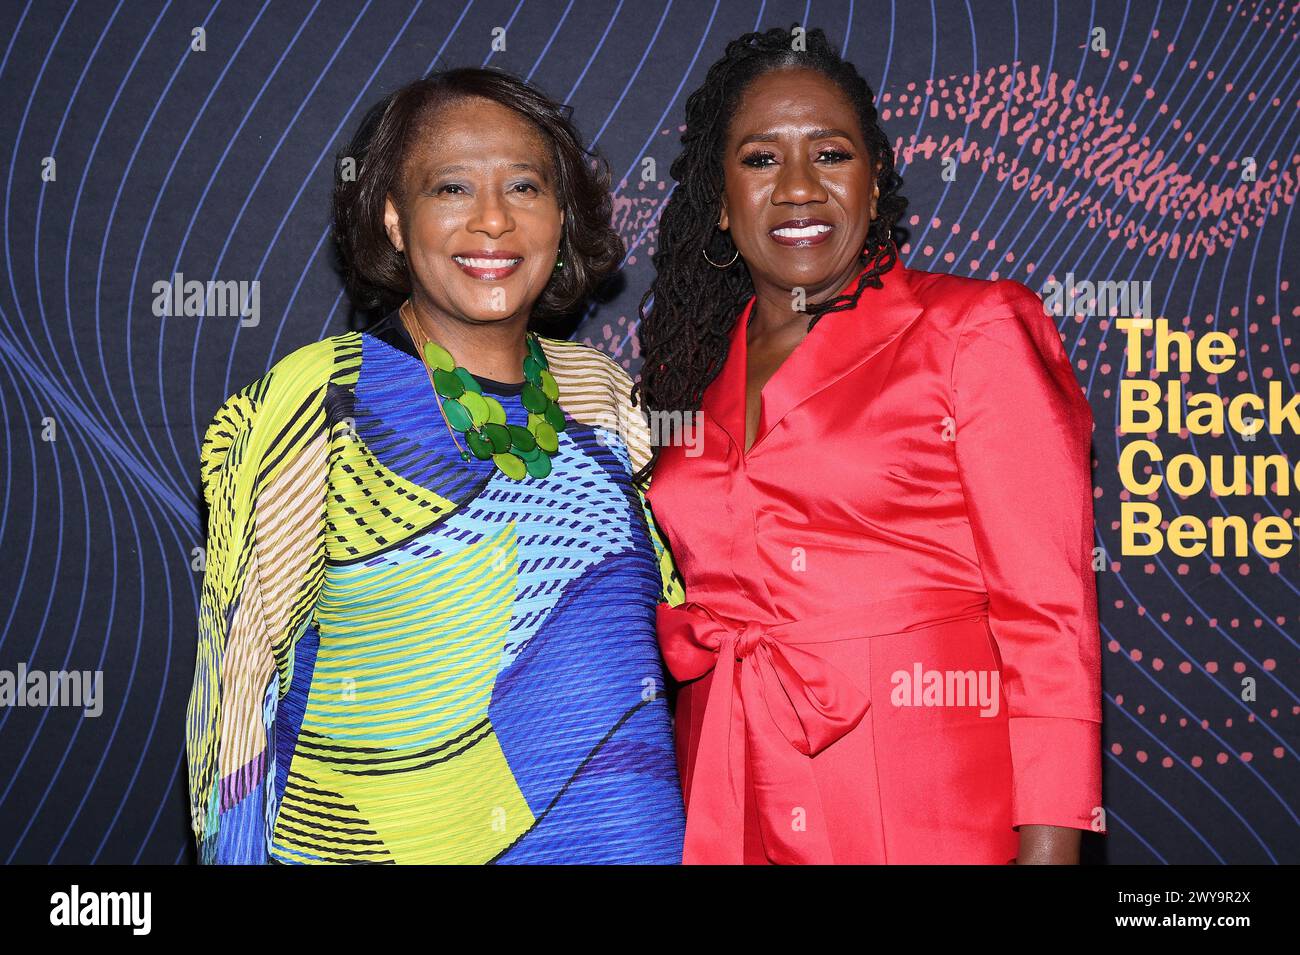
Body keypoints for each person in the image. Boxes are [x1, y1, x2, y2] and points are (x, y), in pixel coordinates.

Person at [185, 67, 685, 864]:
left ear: (560, 216)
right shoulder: (320, 399)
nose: (493, 220)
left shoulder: (603, 394)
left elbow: (673, 635)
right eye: (452, 188)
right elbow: (241, 680)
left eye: (524, 186)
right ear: (392, 216)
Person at [635, 26, 1103, 864]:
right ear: (718, 194)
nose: (799, 188)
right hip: (727, 781)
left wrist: (1052, 844)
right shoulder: (691, 373)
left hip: (923, 797)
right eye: (761, 160)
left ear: (876, 176)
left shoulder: (971, 328)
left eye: (831, 153)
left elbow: (1049, 618)